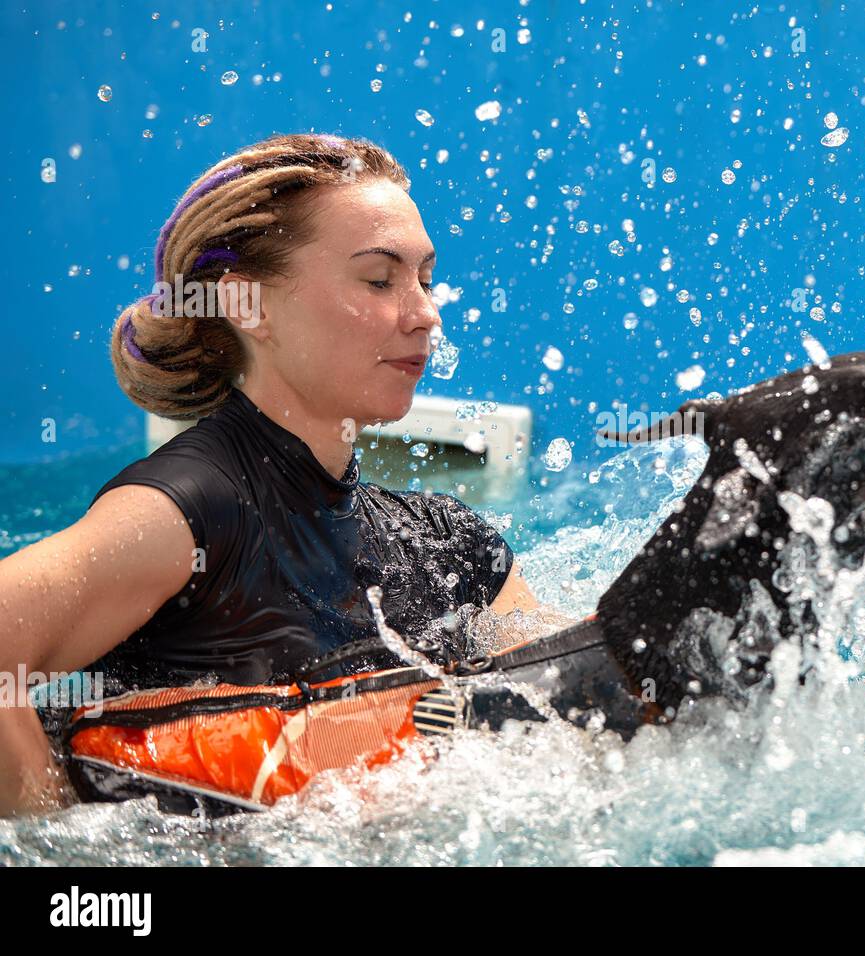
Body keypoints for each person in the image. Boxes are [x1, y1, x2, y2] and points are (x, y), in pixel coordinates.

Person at [0, 133, 568, 817]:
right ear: (247, 306)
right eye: (380, 279)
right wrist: (57, 840)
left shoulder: (452, 546)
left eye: (425, 277)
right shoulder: (189, 510)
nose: (425, 313)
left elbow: (576, 707)